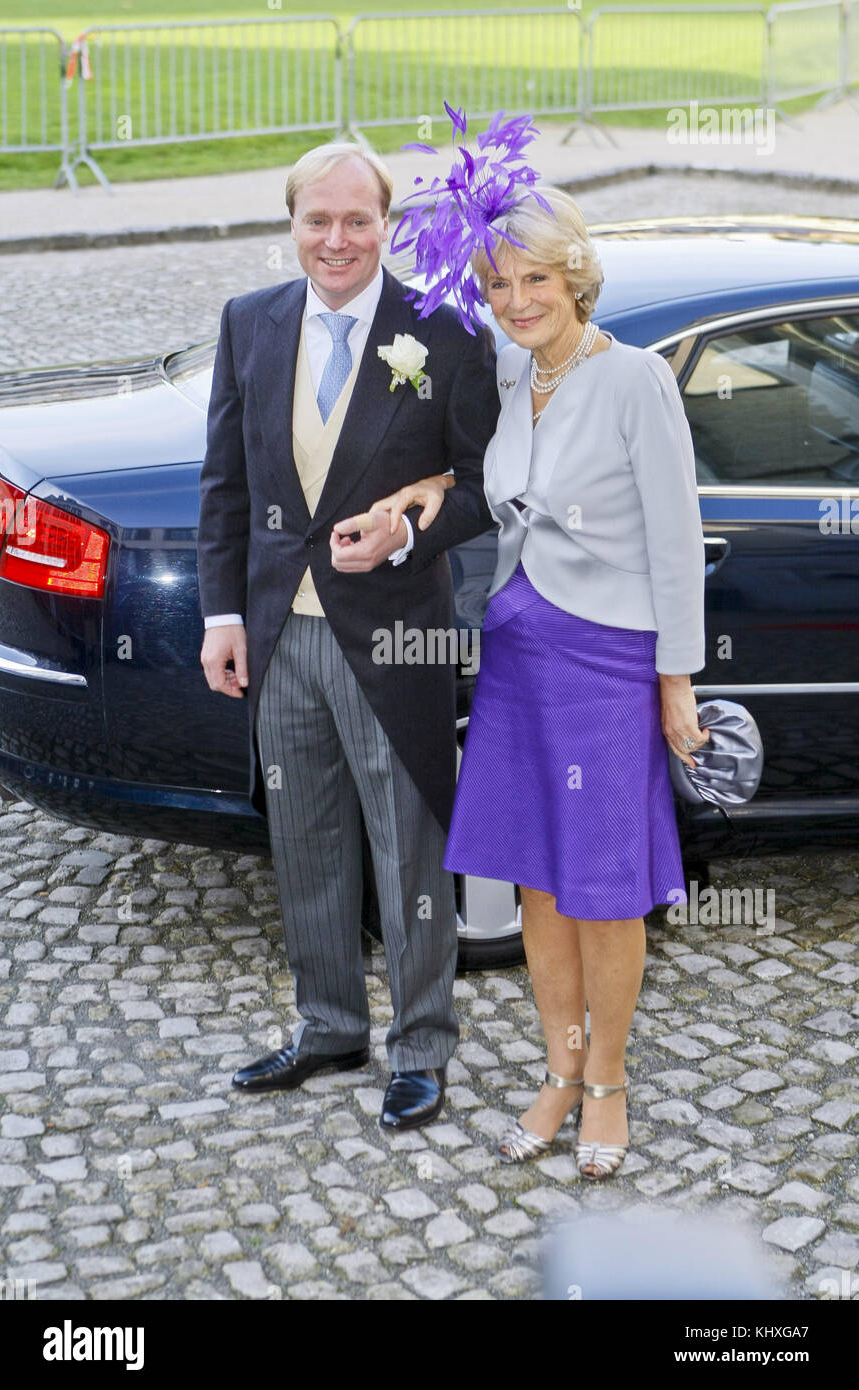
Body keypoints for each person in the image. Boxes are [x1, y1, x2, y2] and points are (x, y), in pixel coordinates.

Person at [376, 177, 707, 1179]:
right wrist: (430, 486)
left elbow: (675, 541)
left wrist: (674, 681)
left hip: (608, 660)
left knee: (601, 888)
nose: (518, 300)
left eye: (535, 278)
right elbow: (491, 488)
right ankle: (555, 1071)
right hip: (523, 648)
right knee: (536, 882)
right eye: (499, 282)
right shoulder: (513, 379)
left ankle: (604, 1079)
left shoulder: (632, 379)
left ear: (573, 276)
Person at [196, 142, 499, 1131]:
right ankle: (327, 1024)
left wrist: (408, 530)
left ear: (387, 226)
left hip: (395, 634)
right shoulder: (250, 323)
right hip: (281, 632)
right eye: (315, 220)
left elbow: (483, 482)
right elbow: (225, 485)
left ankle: (420, 1045)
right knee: (306, 836)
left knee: (407, 847)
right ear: (290, 223)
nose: (335, 240)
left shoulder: (444, 332)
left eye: (355, 220)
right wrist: (223, 615)